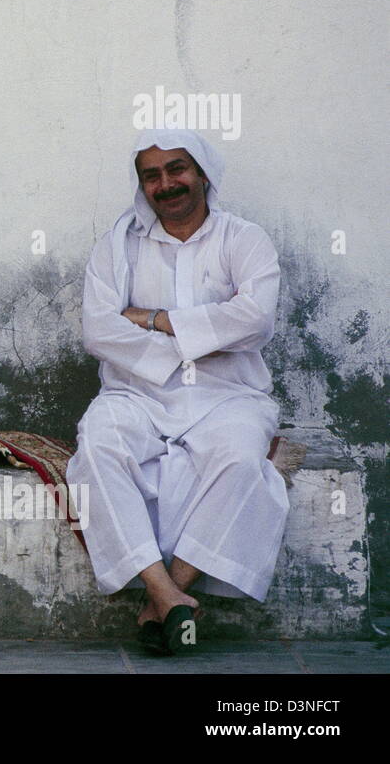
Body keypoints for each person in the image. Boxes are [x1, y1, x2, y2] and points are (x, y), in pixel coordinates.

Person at [65, 129, 288, 654]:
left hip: (229, 394)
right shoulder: (118, 245)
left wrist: (156, 319)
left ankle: (162, 598)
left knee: (240, 459)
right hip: (136, 393)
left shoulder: (244, 239)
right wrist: (197, 340)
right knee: (96, 448)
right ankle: (165, 591)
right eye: (152, 175)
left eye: (177, 169)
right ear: (142, 184)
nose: (166, 184)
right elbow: (100, 331)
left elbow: (254, 321)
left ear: (203, 173)